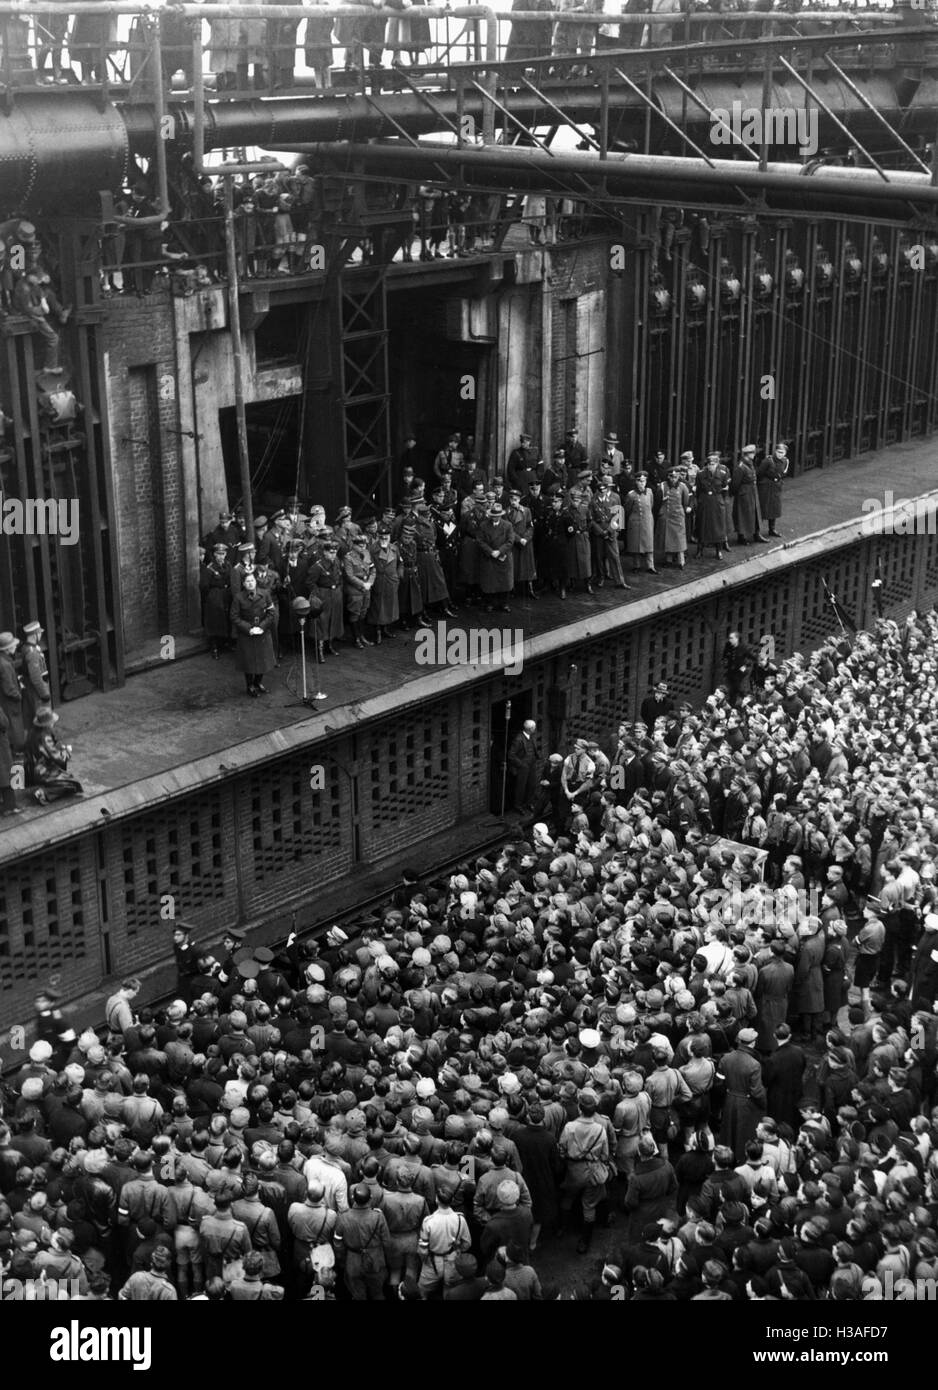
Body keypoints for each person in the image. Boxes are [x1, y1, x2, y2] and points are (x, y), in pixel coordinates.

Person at [231, 571, 276, 697]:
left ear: (255, 582)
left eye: (252, 581)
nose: (250, 583)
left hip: (262, 632)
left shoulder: (265, 594)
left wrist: (262, 627)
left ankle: (258, 683)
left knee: (263, 660)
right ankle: (250, 685)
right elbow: (234, 616)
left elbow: (271, 612)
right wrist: (249, 628)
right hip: (247, 634)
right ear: (243, 584)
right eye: (247, 581)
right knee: (249, 662)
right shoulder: (238, 598)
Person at [25, 708, 83, 803]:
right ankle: (44, 792)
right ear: (47, 724)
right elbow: (57, 757)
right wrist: (67, 752)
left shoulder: (32, 732)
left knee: (68, 778)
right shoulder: (45, 736)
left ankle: (46, 785)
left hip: (33, 767)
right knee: (73, 785)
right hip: (43, 770)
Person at [695, 452, 729, 560]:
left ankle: (718, 550)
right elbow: (698, 490)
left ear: (717, 464)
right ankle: (700, 550)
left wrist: (720, 499)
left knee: (718, 527)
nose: (711, 466)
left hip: (717, 501)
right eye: (709, 464)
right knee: (702, 526)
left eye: (713, 464)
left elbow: (724, 488)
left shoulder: (723, 473)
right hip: (705, 501)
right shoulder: (700, 474)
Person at [732, 445, 765, 545]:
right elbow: (735, 484)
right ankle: (741, 537)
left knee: (754, 513)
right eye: (752, 453)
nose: (754, 455)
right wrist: (739, 494)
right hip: (744, 494)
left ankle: (756, 534)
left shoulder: (749, 464)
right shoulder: (741, 467)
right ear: (747, 455)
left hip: (752, 493)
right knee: (743, 515)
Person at [624, 472, 657, 573]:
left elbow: (651, 505)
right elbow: (627, 509)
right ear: (635, 482)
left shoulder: (650, 492)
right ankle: (636, 565)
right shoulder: (631, 495)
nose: (641, 483)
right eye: (639, 481)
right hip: (635, 522)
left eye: (643, 481)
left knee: (649, 544)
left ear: (646, 482)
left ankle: (650, 566)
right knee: (636, 544)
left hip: (647, 521)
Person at [507, 720, 539, 813]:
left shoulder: (531, 736)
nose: (535, 729)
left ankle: (529, 803)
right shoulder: (518, 739)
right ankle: (518, 806)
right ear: (530, 729)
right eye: (534, 727)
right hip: (523, 767)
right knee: (521, 787)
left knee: (531, 785)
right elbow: (511, 755)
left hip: (531, 765)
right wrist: (521, 764)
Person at [756, 443, 788, 537]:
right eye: (778, 452)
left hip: (776, 488)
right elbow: (759, 473)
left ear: (785, 453)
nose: (780, 454)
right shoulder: (768, 461)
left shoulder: (785, 461)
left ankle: (772, 529)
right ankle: (757, 532)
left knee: (774, 508)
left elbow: (783, 473)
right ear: (775, 451)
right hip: (765, 488)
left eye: (782, 453)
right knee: (762, 509)